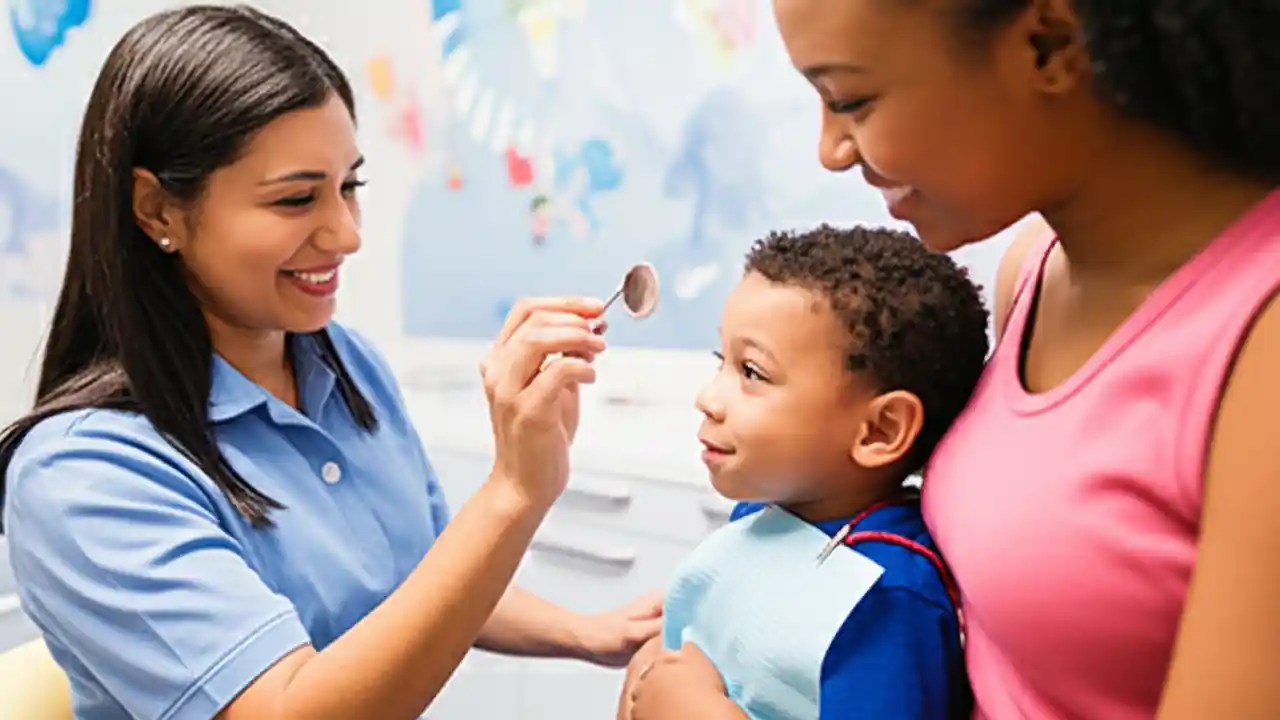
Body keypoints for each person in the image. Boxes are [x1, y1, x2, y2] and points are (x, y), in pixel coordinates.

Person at [0, 6, 660, 719]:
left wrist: (589, 632)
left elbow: (422, 575)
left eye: (351, 186)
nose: (347, 234)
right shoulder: (83, 475)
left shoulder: (346, 366)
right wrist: (513, 492)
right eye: (296, 198)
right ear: (157, 210)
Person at [624, 1, 1280, 718]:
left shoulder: (1260, 342)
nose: (832, 150)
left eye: (851, 100)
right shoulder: (1032, 273)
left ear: (1047, 44)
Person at [621, 225, 986, 719]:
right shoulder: (763, 515)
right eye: (720, 361)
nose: (707, 398)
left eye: (752, 372)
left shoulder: (884, 596)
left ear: (879, 430)